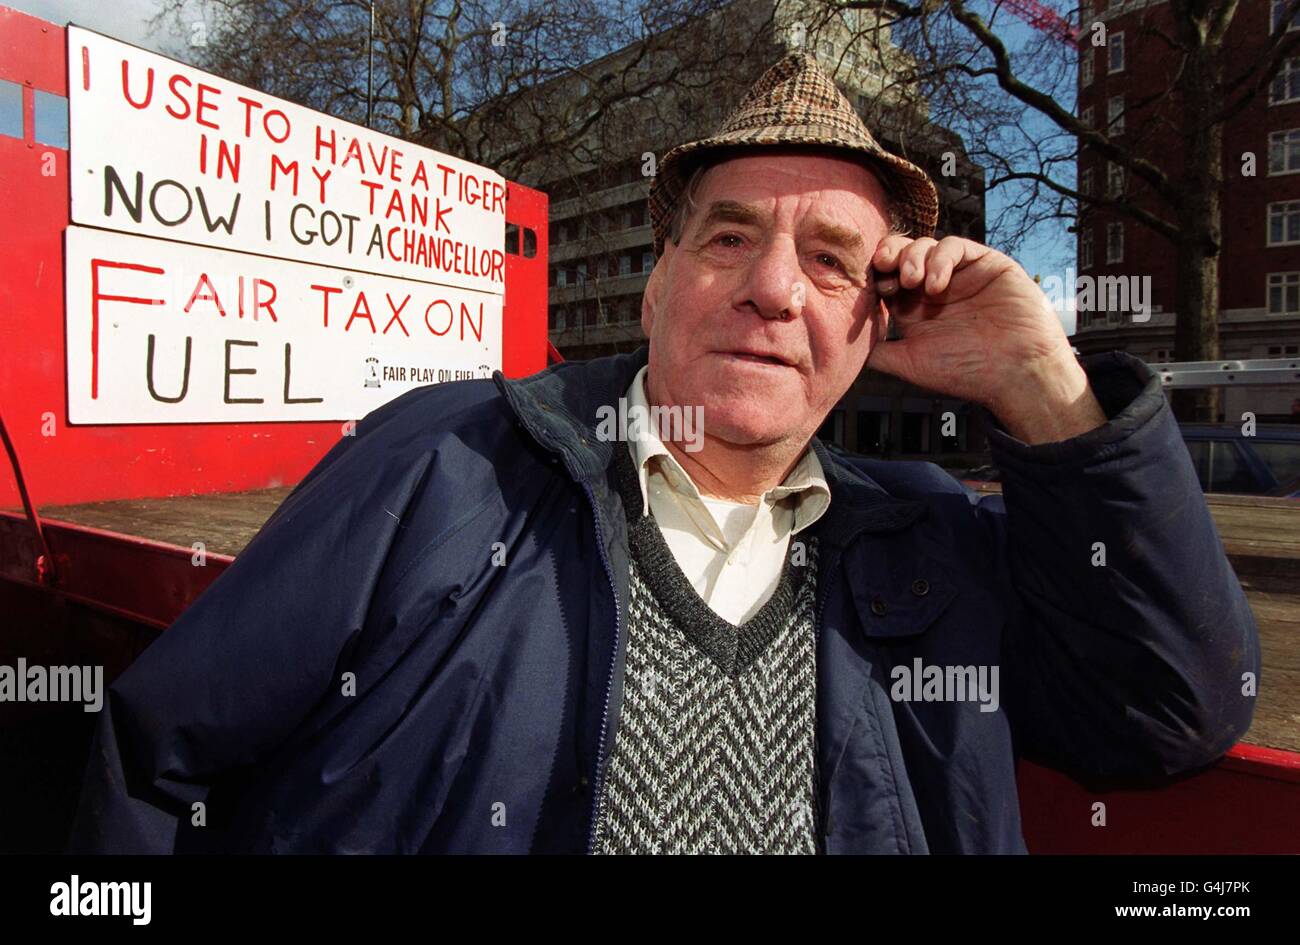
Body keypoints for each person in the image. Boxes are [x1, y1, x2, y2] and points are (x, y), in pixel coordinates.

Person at [69, 52, 1259, 855]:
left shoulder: (933, 542)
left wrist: (1046, 395)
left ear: (872, 330)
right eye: (729, 236)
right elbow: (153, 760)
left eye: (835, 260)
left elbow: (1166, 716)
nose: (773, 289)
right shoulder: (438, 469)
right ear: (653, 292)